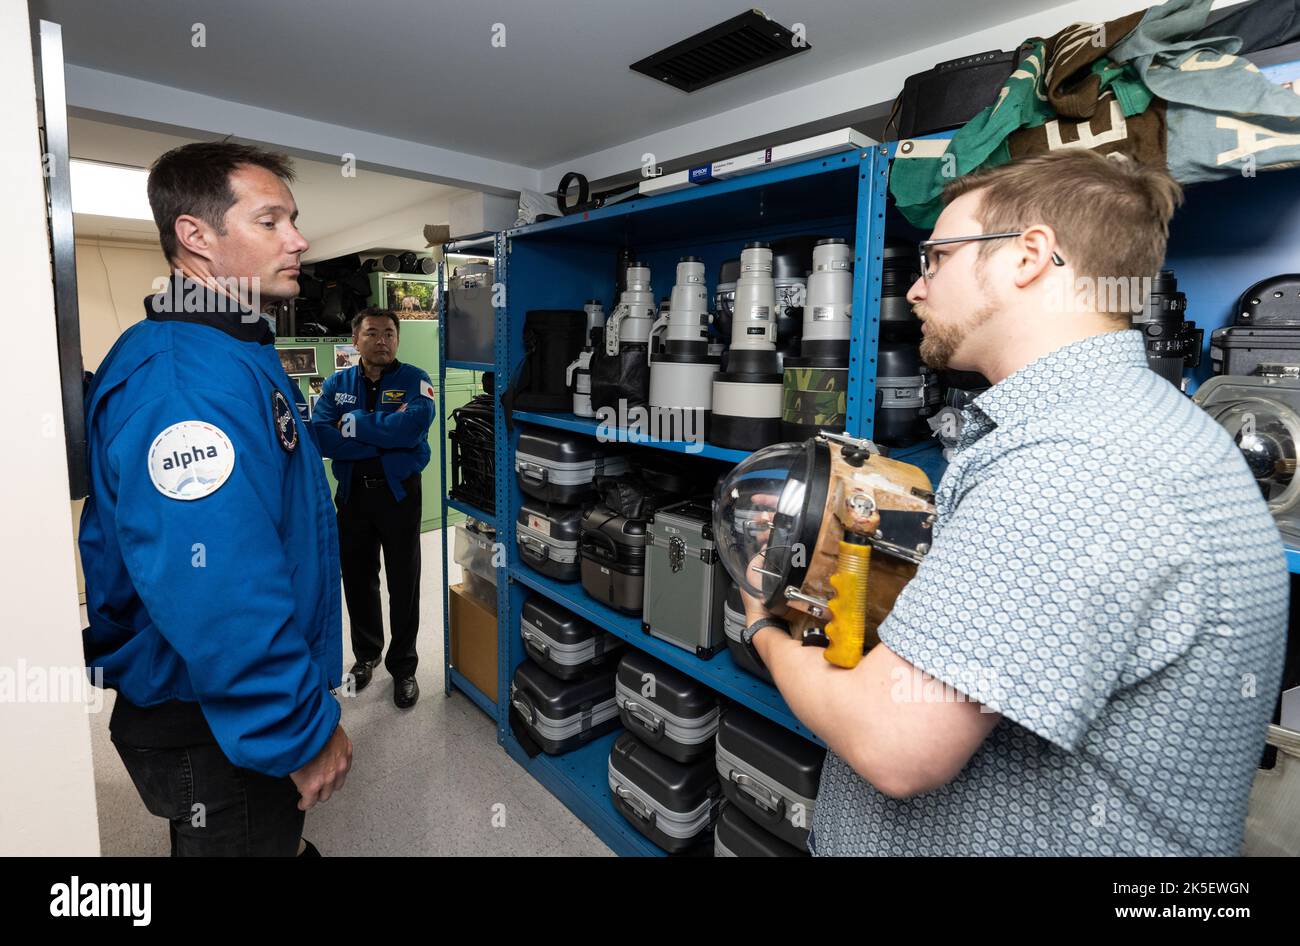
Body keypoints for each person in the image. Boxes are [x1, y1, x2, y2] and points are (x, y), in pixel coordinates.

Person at [737, 149, 1288, 856]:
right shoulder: (1115, 422)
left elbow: (895, 744)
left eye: (935, 258)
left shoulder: (1074, 462)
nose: (915, 290)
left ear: (1029, 256)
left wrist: (762, 624)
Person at [80, 142, 353, 856]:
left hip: (219, 702)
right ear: (194, 237)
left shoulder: (231, 351)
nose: (298, 240)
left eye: (293, 220)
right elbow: (219, 588)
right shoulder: (184, 382)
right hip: (210, 715)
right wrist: (297, 730)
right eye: (271, 222)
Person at [311, 309, 435, 708]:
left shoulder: (416, 379)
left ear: (397, 339)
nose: (382, 340)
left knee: (404, 582)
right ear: (355, 339)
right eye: (372, 333)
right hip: (352, 497)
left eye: (389, 333)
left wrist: (355, 424)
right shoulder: (337, 382)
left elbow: (413, 427)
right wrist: (383, 434)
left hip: (398, 495)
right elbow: (322, 438)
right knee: (358, 579)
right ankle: (367, 656)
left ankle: (404, 667)